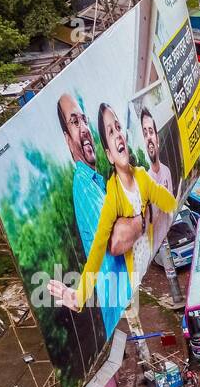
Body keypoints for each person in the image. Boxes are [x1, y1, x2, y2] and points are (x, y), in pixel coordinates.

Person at [70, 102, 178, 325]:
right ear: (109, 154)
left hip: (146, 263)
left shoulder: (141, 176)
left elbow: (167, 200)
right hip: (130, 283)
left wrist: (162, 202)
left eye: (118, 127)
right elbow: (101, 246)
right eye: (111, 131)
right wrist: (80, 296)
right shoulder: (112, 195)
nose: (118, 134)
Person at [50, 93, 142, 333]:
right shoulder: (83, 185)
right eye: (74, 122)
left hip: (127, 299)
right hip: (121, 309)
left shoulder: (97, 182)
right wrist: (144, 215)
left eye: (84, 120)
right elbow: (117, 240)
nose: (84, 129)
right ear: (67, 140)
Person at [140, 107, 175, 252]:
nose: (149, 137)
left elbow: (172, 206)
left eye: (151, 132)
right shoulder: (144, 182)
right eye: (144, 133)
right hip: (156, 250)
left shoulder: (166, 171)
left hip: (170, 240)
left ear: (157, 139)